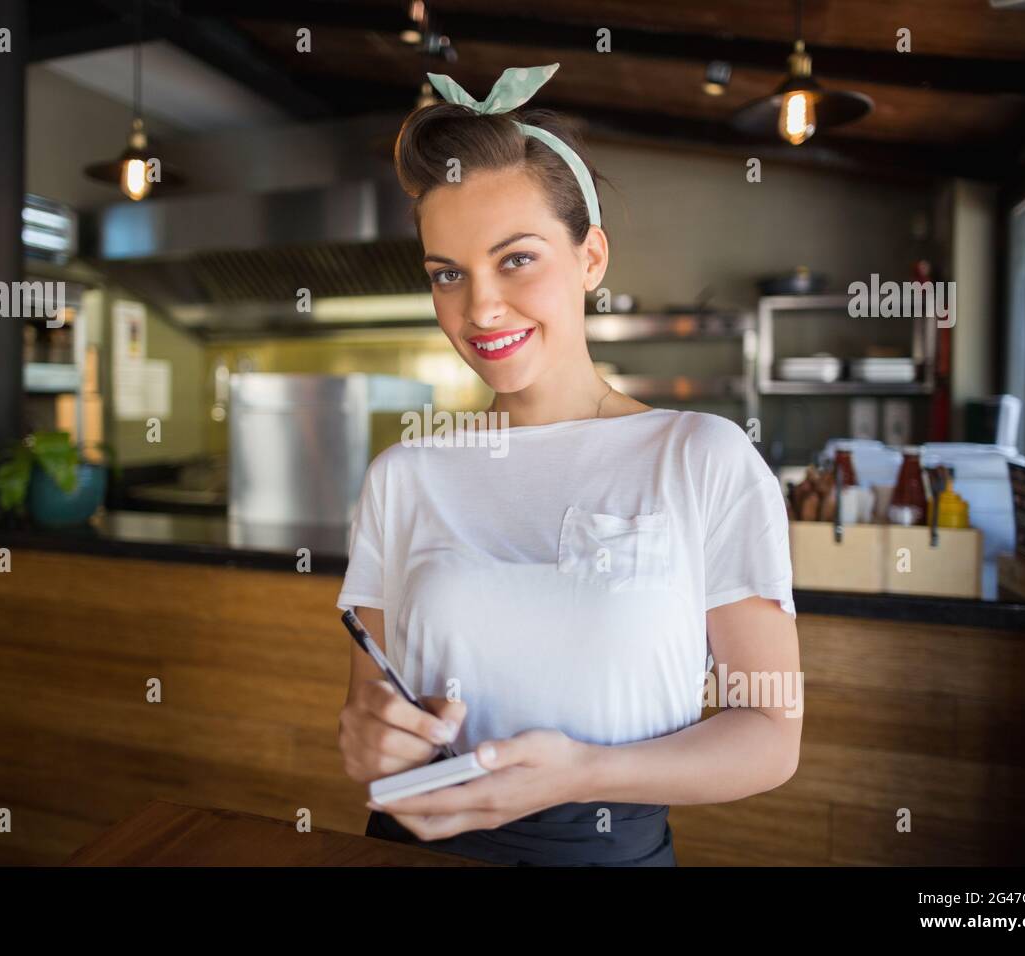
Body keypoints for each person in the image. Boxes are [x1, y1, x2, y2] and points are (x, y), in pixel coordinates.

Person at [335, 64, 800, 867]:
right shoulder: (403, 478)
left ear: (591, 258)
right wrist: (369, 742)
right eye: (448, 274)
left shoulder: (701, 457)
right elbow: (370, 713)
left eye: (516, 259)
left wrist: (583, 773)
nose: (478, 308)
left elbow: (769, 736)